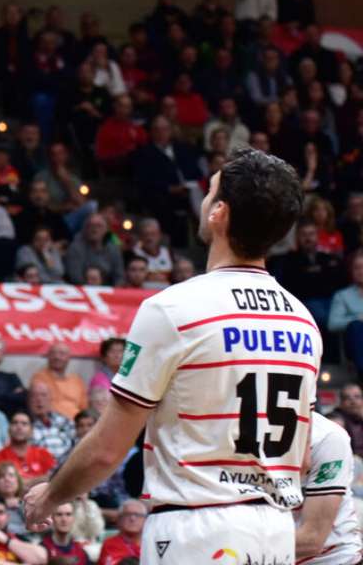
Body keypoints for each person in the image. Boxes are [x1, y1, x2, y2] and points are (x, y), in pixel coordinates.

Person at [24, 149, 317, 561]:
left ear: (219, 212)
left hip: (198, 526)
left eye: (209, 191)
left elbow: (109, 449)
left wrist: (51, 495)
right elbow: (301, 455)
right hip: (275, 531)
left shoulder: (175, 307)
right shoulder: (303, 321)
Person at [295, 411, 362, 565]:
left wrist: (237, 544)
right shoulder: (236, 428)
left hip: (331, 559)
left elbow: (312, 540)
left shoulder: (326, 437)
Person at [0, 410, 56, 480]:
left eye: (24, 424)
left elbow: (53, 479)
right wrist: (39, 479)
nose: (19, 427)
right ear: (9, 429)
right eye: (15, 423)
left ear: (32, 431)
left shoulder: (44, 454)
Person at [30, 344, 87, 419]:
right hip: (53, 424)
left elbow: (84, 408)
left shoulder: (77, 380)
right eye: (53, 353)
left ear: (68, 358)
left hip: (78, 425)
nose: (57, 357)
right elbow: (38, 406)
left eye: (62, 354)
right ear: (48, 356)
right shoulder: (40, 378)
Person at [94, 500, 144, 565]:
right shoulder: (110, 545)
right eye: (127, 514)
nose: (132, 518)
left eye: (138, 515)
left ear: (146, 520)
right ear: (119, 519)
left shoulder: (152, 544)